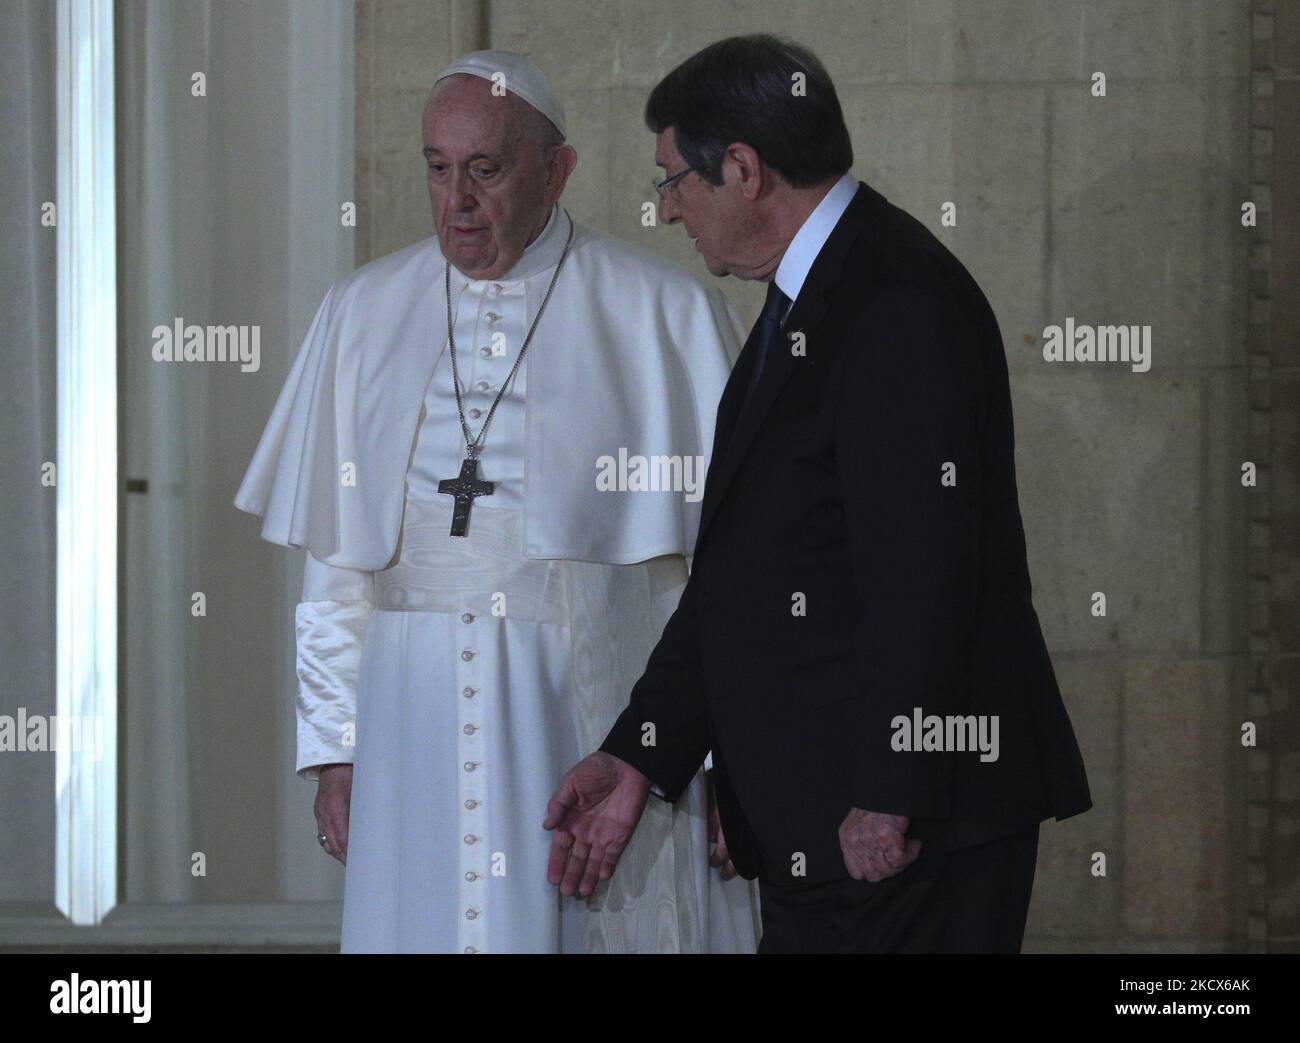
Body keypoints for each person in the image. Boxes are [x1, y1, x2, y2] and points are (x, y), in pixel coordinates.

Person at [544, 34, 1092, 954]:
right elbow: (746, 573)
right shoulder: (805, 302)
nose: (668, 211)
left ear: (745, 170)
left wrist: (891, 790)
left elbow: (929, 572)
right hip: (832, 830)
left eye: (672, 181)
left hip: (901, 833)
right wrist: (641, 747)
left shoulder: (895, 299)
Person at [235, 50, 759, 953]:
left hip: (589, 711)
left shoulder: (661, 313)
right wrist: (335, 748)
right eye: (438, 169)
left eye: (486, 169)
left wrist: (721, 765)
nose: (457, 200)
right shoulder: (362, 312)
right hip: (412, 719)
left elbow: (726, 576)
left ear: (557, 170)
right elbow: (336, 567)